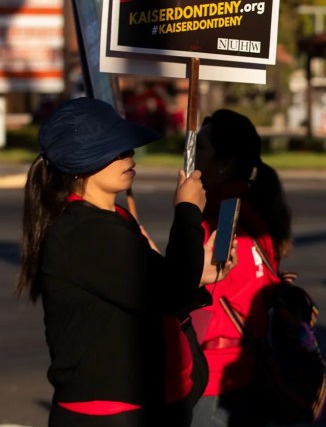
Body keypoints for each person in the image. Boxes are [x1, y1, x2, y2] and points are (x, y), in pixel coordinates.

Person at [16, 97, 230, 427]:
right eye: (114, 151)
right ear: (79, 162)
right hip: (107, 413)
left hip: (142, 403)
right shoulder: (84, 231)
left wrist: (197, 274)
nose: (128, 156)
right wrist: (188, 211)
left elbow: (158, 290)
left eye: (128, 148)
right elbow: (169, 289)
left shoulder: (111, 220)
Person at [189, 109, 293, 427]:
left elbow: (204, 296)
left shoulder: (223, 222)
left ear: (224, 164)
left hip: (216, 377)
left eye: (201, 146)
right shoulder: (247, 212)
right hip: (241, 371)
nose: (191, 154)